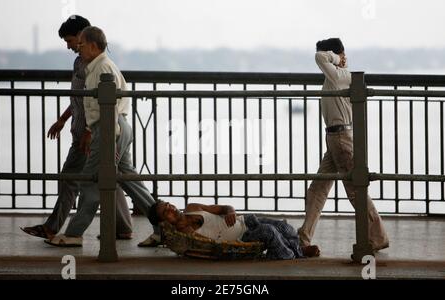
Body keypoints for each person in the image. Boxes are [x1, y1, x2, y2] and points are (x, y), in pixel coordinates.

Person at [45, 26, 160, 247]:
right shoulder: (99, 66)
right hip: (118, 127)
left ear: (94, 46)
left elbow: (108, 107)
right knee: (131, 182)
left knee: (90, 181)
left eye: (81, 45)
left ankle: (74, 234)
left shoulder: (102, 68)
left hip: (109, 129)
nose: (78, 49)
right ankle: (161, 227)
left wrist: (103, 138)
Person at [21, 15, 133, 241]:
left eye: (72, 41)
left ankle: (60, 229)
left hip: (89, 132)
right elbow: (80, 98)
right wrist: (63, 119)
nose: (70, 46)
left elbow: (96, 101)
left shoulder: (95, 65)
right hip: (87, 129)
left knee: (73, 178)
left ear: (85, 38)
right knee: (115, 176)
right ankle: (124, 227)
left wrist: (89, 133)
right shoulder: (82, 62)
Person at [297, 38, 390, 252]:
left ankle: (377, 237)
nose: (324, 61)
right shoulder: (335, 76)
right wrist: (336, 58)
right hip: (335, 139)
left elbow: (319, 57)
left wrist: (336, 57)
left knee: (355, 190)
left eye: (330, 56)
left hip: (340, 139)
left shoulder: (340, 76)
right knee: (318, 189)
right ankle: (303, 239)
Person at [149, 200, 321, 259]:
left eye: (168, 205)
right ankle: (296, 253)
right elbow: (202, 248)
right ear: (165, 222)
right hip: (241, 238)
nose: (171, 208)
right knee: (269, 231)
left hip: (245, 221)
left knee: (285, 227)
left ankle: (295, 250)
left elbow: (224, 207)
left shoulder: (192, 207)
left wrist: (230, 211)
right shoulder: (185, 235)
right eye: (166, 212)